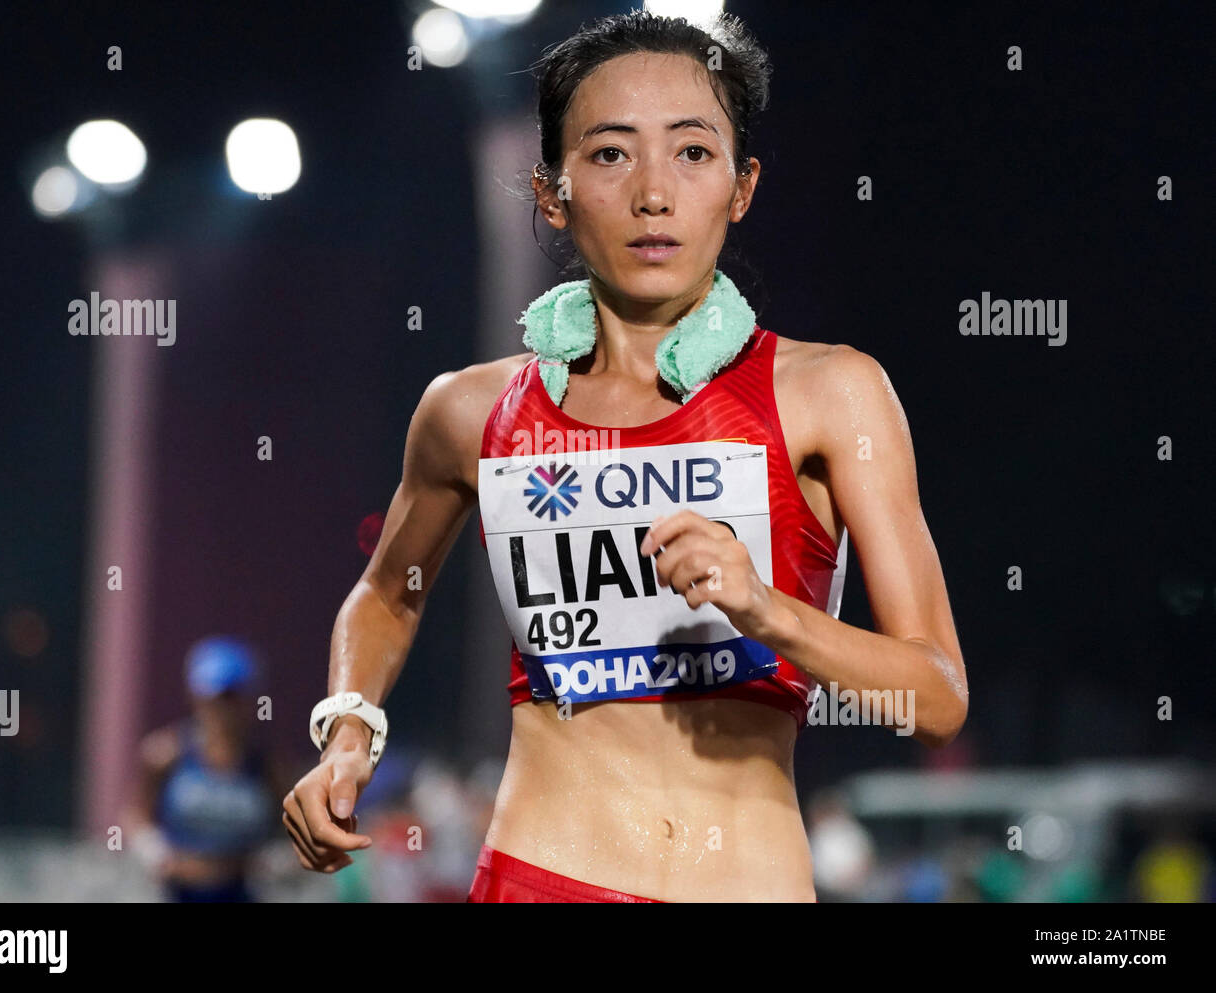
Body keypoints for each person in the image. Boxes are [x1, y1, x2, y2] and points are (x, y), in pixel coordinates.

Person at [284, 10, 967, 902]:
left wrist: (767, 610)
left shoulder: (832, 393)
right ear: (550, 192)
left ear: (742, 184)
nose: (654, 193)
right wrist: (348, 729)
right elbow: (386, 592)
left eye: (692, 152)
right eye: (610, 154)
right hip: (542, 875)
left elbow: (937, 698)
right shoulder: (469, 410)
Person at [126, 636, 285, 902]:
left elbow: (289, 828)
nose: (225, 711)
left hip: (241, 893)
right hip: (178, 893)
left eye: (234, 699)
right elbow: (137, 815)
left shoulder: (267, 765)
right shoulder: (165, 755)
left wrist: (276, 860)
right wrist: (153, 852)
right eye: (218, 699)